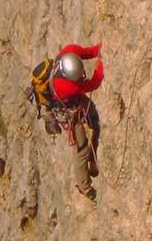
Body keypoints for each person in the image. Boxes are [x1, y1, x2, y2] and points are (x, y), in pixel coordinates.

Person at [28, 44, 104, 201]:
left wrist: (101, 49)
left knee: (94, 121)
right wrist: (101, 63)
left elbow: (88, 52)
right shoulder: (67, 86)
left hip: (71, 100)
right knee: (81, 148)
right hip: (66, 109)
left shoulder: (70, 51)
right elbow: (94, 83)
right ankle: (84, 186)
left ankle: (93, 157)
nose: (82, 76)